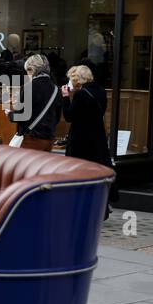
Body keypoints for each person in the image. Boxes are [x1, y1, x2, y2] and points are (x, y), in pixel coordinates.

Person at [60, 63, 117, 216]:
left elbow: (69, 116)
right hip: (97, 137)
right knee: (96, 172)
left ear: (78, 79)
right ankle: (101, 208)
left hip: (81, 140)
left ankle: (79, 208)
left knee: (80, 174)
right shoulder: (101, 91)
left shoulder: (81, 95)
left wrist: (65, 98)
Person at [7, 55, 59, 151]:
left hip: (31, 138)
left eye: (27, 71)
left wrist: (10, 114)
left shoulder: (28, 87)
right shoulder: (56, 89)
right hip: (49, 138)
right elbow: (57, 117)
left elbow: (22, 116)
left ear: (32, 69)